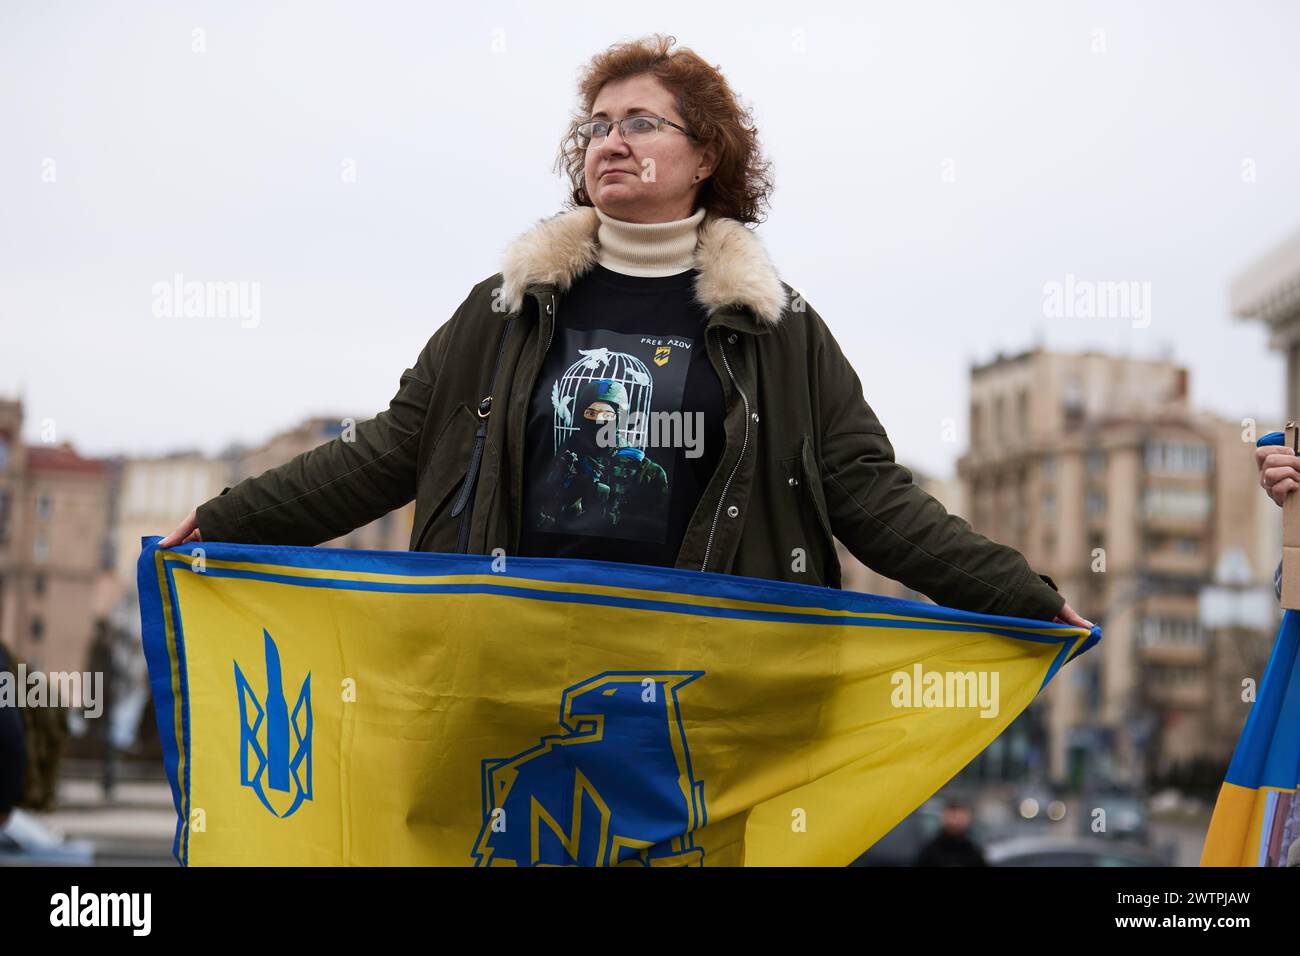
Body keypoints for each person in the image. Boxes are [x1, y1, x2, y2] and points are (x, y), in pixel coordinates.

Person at [161, 33, 1090, 629]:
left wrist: (1022, 597)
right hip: (508, 660)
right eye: (596, 126)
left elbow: (871, 498)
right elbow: (386, 452)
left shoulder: (781, 331)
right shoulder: (504, 309)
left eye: (643, 121)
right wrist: (231, 518)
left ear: (707, 154)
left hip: (701, 684)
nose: (610, 140)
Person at [915, 799, 988, 866]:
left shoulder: (974, 852)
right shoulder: (930, 851)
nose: (956, 822)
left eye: (960, 818)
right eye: (953, 817)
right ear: (944, 818)